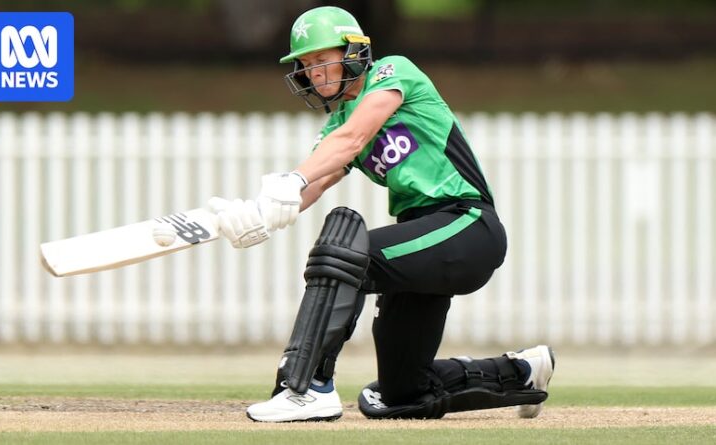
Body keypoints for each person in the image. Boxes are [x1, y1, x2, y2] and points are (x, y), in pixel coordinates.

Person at [207, 6, 555, 422]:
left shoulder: (393, 73)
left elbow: (352, 140)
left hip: (466, 225)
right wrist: (259, 213)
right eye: (306, 65)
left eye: (322, 59)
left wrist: (292, 178)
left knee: (347, 253)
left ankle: (307, 388)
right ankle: (521, 372)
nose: (314, 72)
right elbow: (319, 178)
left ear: (354, 52)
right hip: (422, 240)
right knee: (400, 393)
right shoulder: (338, 120)